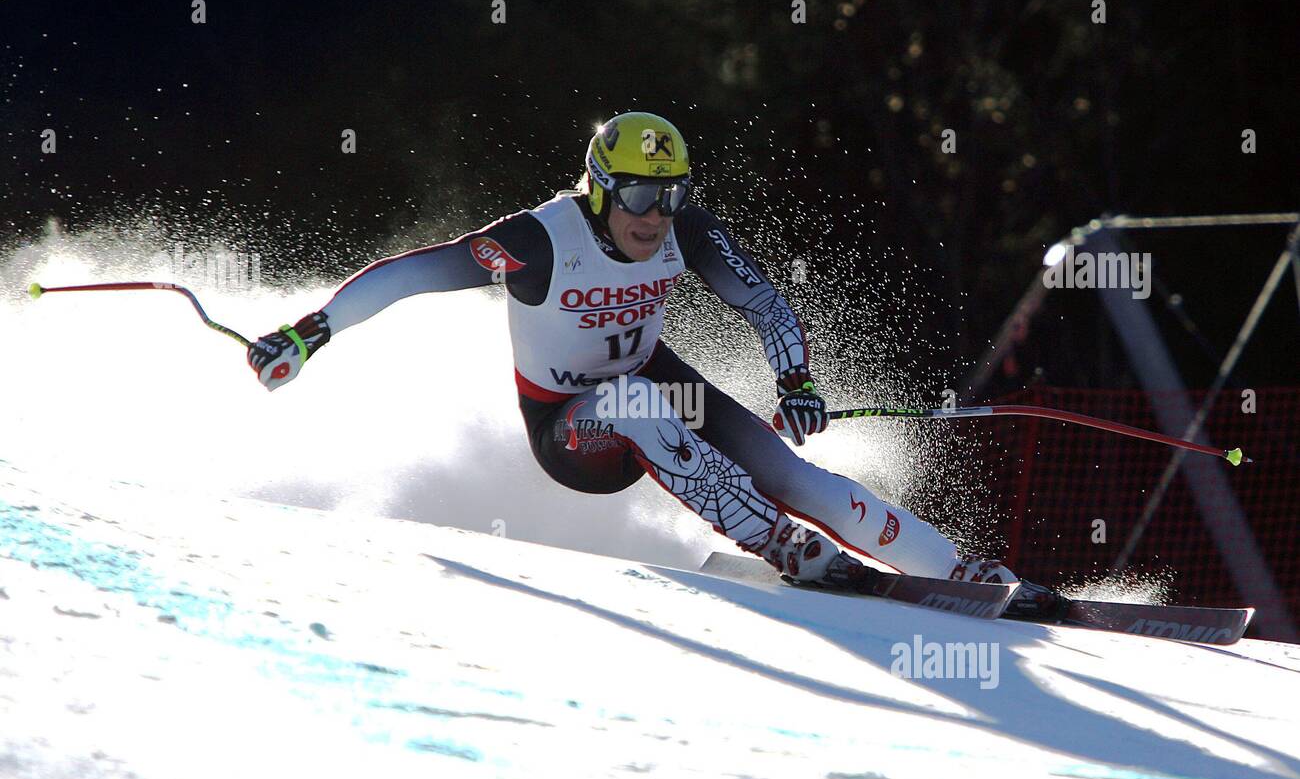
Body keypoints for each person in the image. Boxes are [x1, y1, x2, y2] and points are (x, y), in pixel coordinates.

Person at [247, 111, 1017, 589]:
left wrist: (796, 380)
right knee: (636, 403)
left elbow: (764, 303)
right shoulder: (541, 240)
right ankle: (780, 544)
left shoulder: (686, 230)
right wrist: (311, 332)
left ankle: (953, 568)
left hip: (657, 383)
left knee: (791, 470)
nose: (656, 215)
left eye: (672, 193)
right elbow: (414, 272)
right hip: (570, 432)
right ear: (601, 190)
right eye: (641, 196)